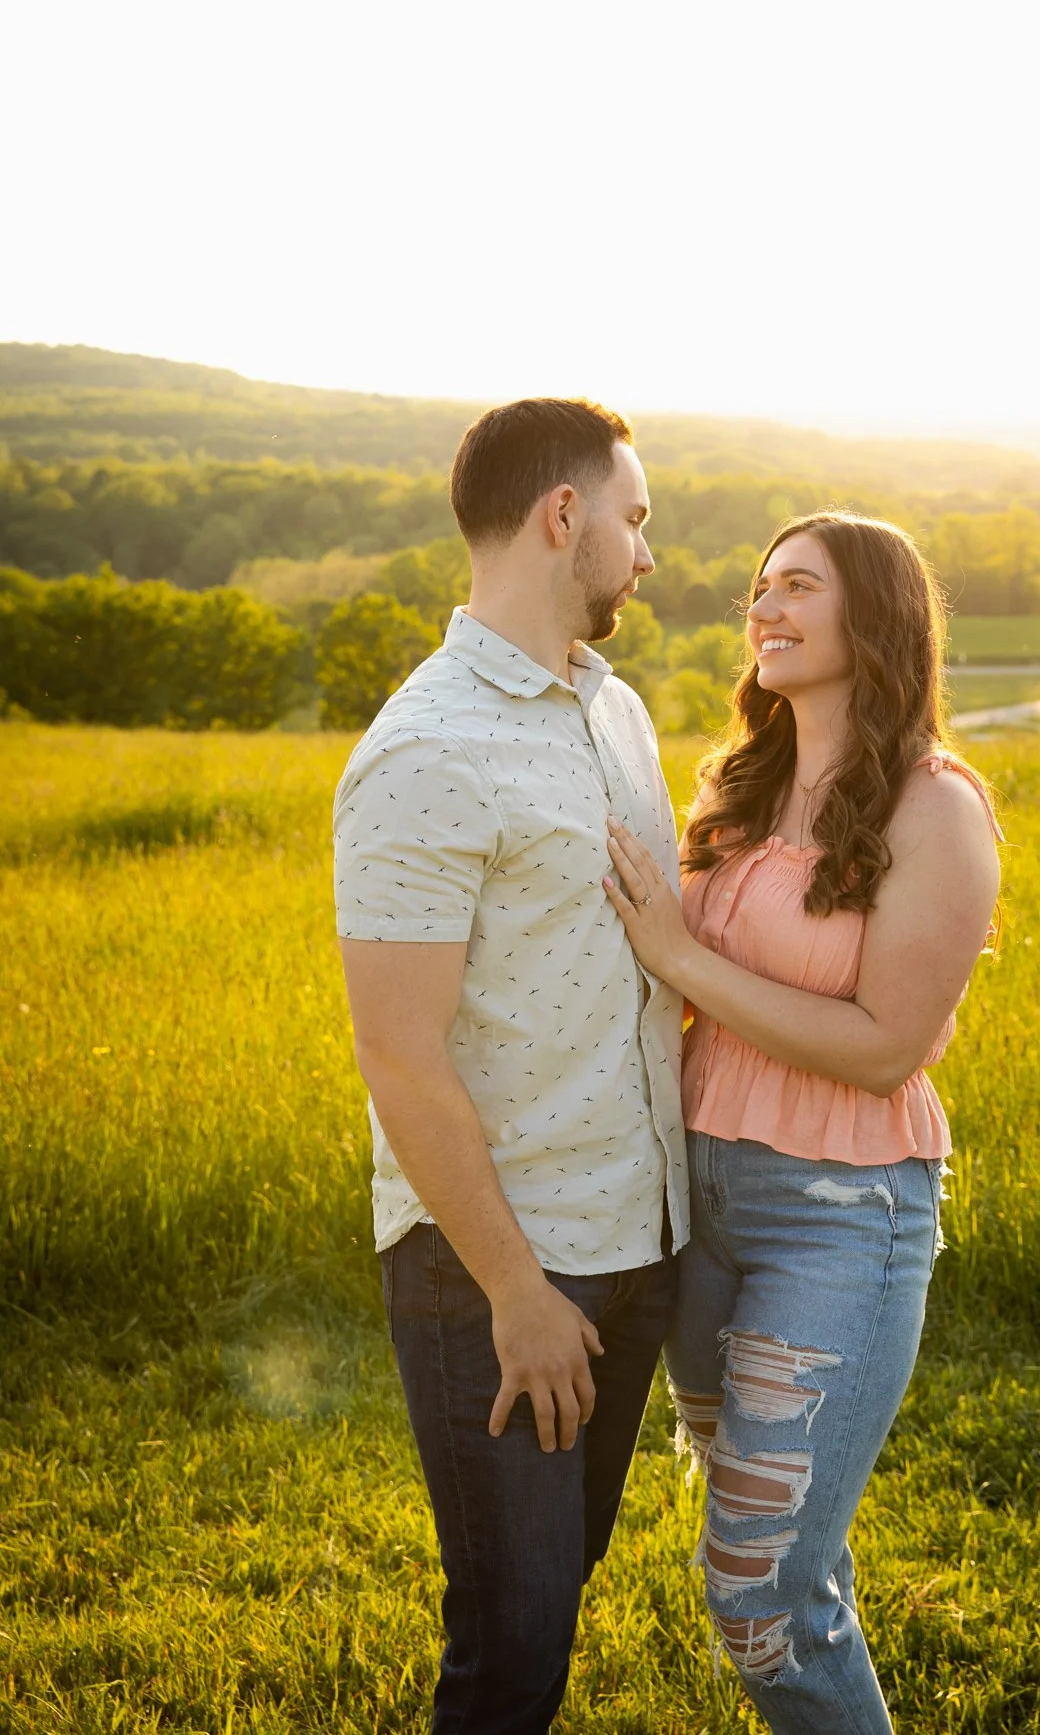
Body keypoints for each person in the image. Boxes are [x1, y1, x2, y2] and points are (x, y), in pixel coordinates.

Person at [602, 511, 1002, 1734]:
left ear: (872, 616)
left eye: (799, 588)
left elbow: (886, 1045)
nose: (764, 608)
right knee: (760, 1535)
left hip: (837, 1214)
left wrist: (678, 949)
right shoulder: (743, 781)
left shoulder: (936, 807)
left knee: (762, 1586)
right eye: (759, 587)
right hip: (698, 1205)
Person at [333, 397, 688, 1735]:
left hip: (633, 1238)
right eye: (634, 518)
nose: (645, 553)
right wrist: (516, 1292)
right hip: (500, 1267)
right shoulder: (424, 753)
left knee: (555, 1593)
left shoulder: (618, 713)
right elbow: (399, 1054)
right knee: (514, 1647)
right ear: (563, 517)